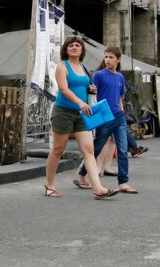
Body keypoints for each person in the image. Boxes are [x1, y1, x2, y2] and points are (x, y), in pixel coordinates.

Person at [43, 37, 119, 199]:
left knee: (89, 150)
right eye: (71, 45)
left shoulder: (83, 67)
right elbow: (63, 89)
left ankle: (98, 188)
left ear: (82, 50)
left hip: (81, 114)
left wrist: (91, 88)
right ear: (66, 49)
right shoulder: (62, 67)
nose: (75, 47)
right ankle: (49, 186)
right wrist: (79, 102)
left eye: (78, 45)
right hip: (63, 112)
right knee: (58, 150)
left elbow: (83, 87)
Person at [74, 46, 138, 193]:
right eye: (106, 57)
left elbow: (120, 98)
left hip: (118, 117)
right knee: (96, 149)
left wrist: (121, 113)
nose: (107, 60)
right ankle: (81, 174)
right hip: (103, 116)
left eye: (111, 57)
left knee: (122, 150)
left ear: (118, 59)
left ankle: (123, 182)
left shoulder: (120, 77)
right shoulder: (98, 75)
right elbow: (90, 96)